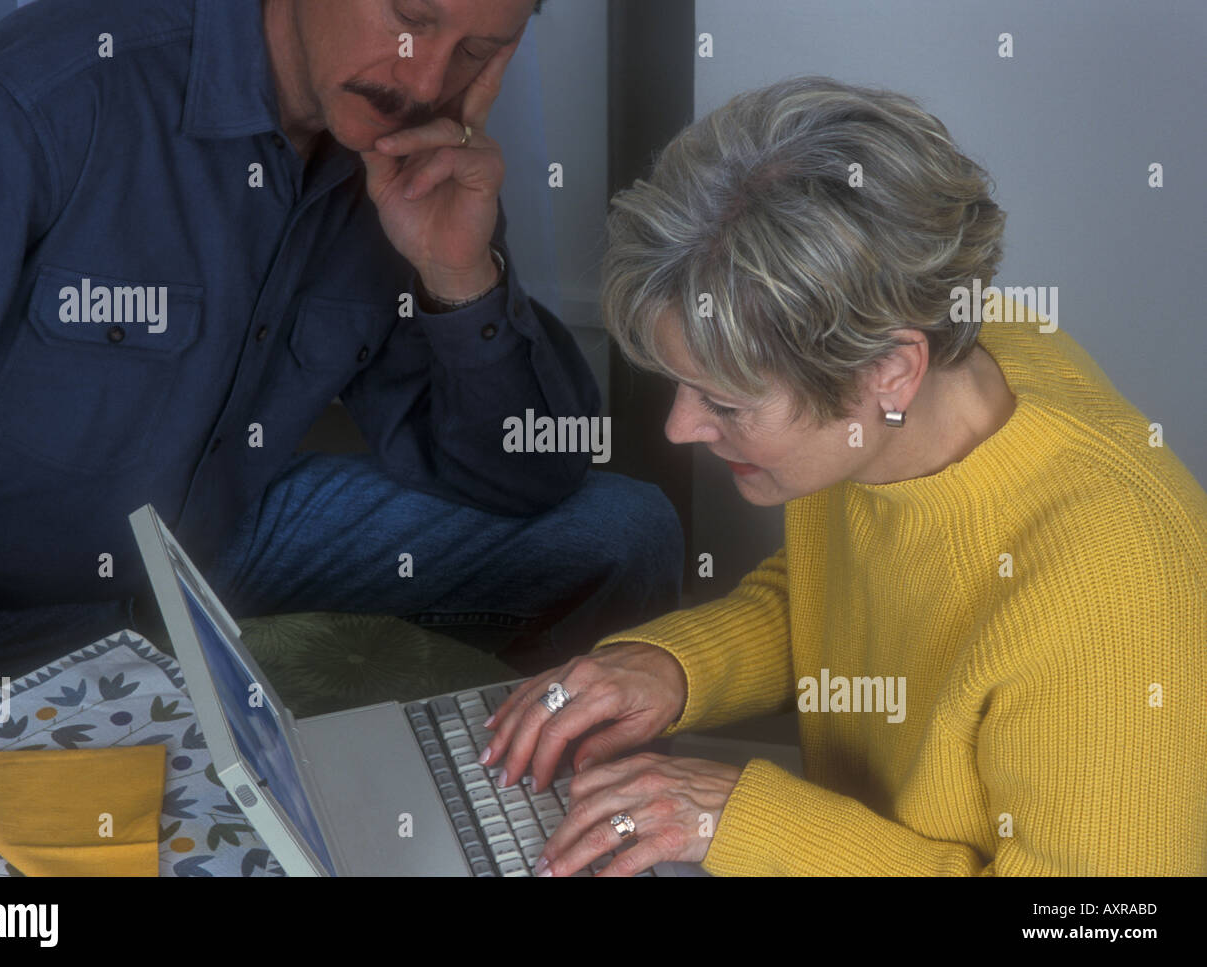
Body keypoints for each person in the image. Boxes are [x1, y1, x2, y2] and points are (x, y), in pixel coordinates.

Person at [482, 76, 1207, 876]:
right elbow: (840, 595)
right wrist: (675, 668)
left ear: (891, 372)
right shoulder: (934, 369)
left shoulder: (1115, 592)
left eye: (724, 400)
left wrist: (754, 825)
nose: (680, 427)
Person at [0, 0, 683, 683]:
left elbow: (529, 475)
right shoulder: (40, 100)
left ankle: (509, 792)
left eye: (477, 52)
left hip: (212, 546)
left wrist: (461, 277)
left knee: (620, 533)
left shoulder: (416, 156)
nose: (423, 84)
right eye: (411, 19)